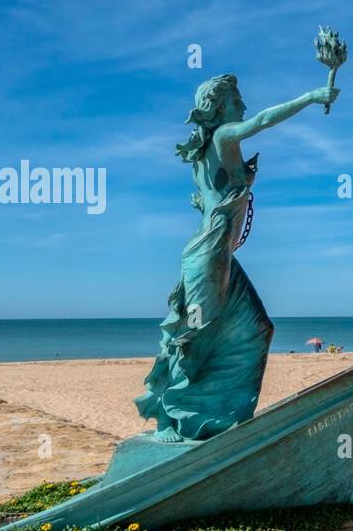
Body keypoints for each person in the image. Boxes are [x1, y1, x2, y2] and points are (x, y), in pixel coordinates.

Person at [136, 73, 338, 442]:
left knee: (258, 327)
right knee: (193, 336)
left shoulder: (212, 153)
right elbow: (260, 121)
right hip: (209, 257)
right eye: (236, 100)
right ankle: (167, 418)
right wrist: (310, 95)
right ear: (219, 107)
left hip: (221, 255)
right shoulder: (223, 137)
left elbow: (211, 202)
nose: (243, 105)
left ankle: (215, 416)